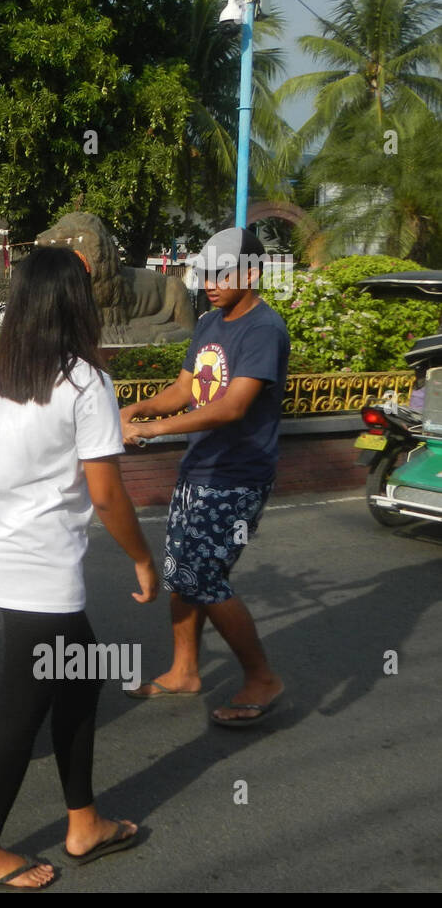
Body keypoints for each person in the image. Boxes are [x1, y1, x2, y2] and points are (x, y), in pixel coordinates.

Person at [0, 246, 159, 890]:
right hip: (43, 570)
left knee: (85, 673)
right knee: (21, 709)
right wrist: (145, 560)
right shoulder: (84, 383)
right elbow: (107, 493)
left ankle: (84, 821)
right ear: (76, 304)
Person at [121, 227, 289, 728]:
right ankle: (185, 670)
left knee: (205, 574)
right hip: (199, 467)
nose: (210, 283)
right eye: (205, 274)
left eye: (221, 273)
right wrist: (141, 406)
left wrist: (155, 430)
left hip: (237, 475)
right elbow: (187, 387)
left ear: (252, 273)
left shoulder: (264, 329)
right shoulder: (210, 322)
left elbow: (233, 406)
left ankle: (262, 678)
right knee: (180, 569)